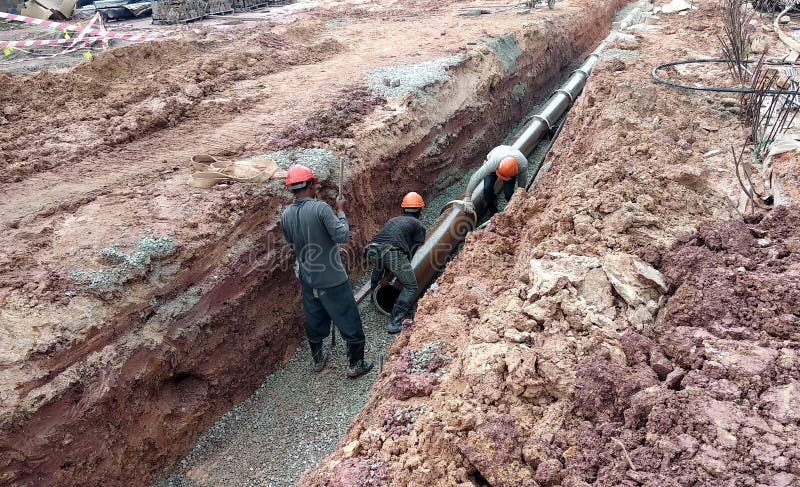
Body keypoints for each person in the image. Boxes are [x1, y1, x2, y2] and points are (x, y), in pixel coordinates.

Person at [280, 164, 373, 378]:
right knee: (349, 321)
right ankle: (355, 364)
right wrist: (340, 212)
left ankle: (318, 359)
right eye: (315, 186)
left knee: (315, 319)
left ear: (292, 189)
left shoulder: (286, 215)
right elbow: (341, 235)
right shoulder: (320, 208)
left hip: (308, 278)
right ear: (311, 185)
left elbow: (293, 245)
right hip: (332, 279)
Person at [365, 192, 427, 334]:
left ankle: (373, 301)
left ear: (403, 209)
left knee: (380, 263)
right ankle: (395, 322)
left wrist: (388, 276)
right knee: (411, 286)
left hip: (372, 249)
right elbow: (410, 254)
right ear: (420, 210)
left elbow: (386, 246)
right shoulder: (418, 225)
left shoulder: (393, 220)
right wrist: (399, 278)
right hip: (391, 252)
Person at [463, 145, 528, 214]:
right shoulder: (492, 163)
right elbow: (475, 177)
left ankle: (514, 210)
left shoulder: (522, 165)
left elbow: (521, 186)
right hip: (497, 156)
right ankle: (493, 211)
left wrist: (520, 196)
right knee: (487, 189)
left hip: (510, 166)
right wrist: (467, 198)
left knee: (509, 193)